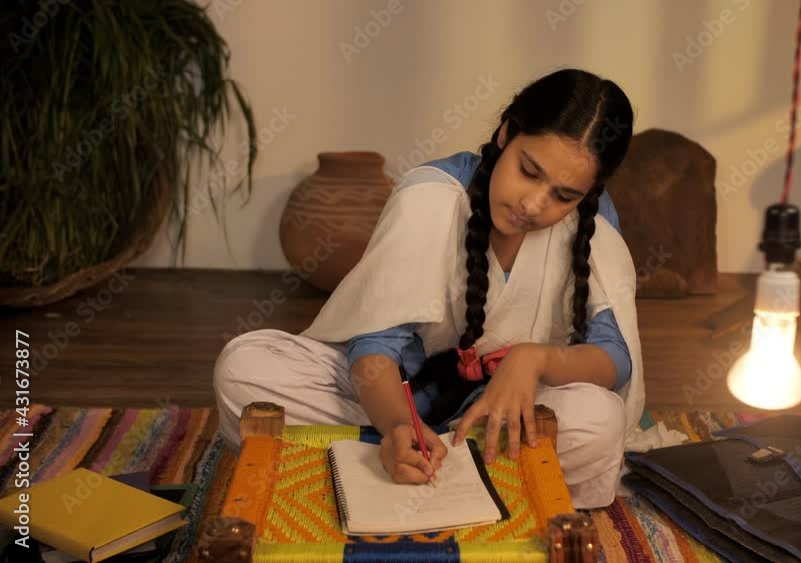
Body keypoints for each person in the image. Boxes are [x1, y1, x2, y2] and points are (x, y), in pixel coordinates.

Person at [213, 68, 644, 509]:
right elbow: (374, 346)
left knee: (599, 419)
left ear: (589, 192)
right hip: (387, 402)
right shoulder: (432, 195)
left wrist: (532, 360)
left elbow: (615, 356)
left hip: (496, 413)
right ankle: (463, 472)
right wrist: (399, 429)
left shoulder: (594, 220)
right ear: (506, 133)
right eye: (529, 171)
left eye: (564, 195)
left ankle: (361, 462)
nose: (533, 204)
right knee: (245, 368)